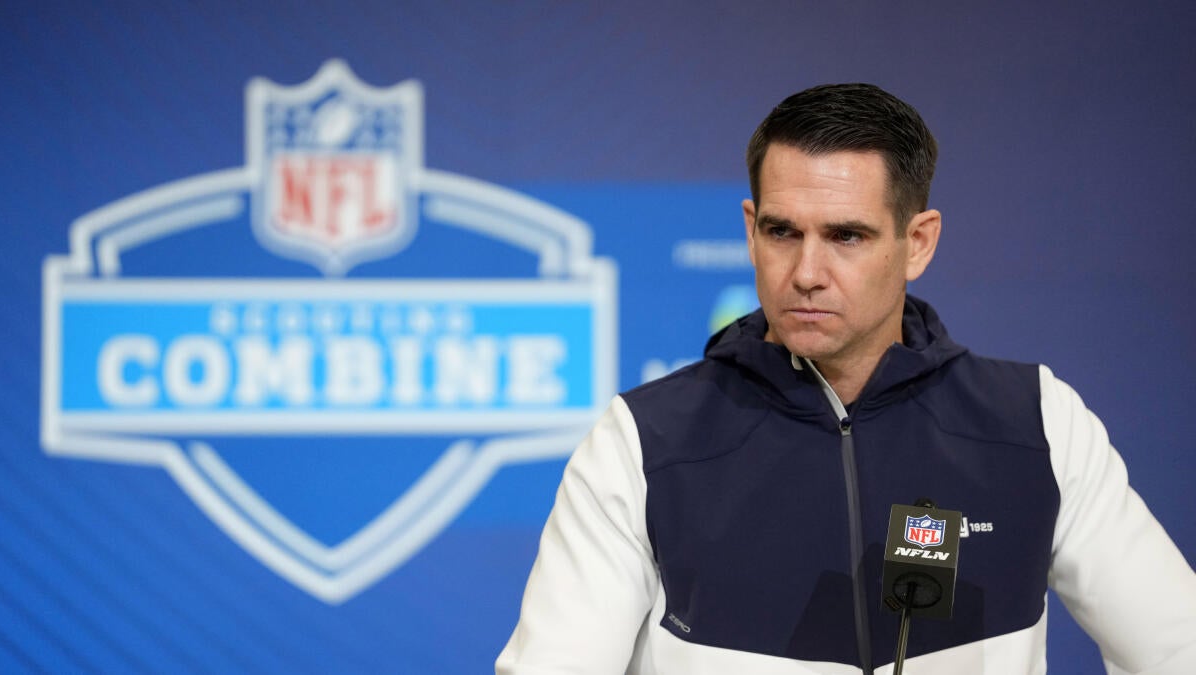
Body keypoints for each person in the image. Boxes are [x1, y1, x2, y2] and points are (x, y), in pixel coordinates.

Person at [495, 83, 1196, 674]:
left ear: (917, 242)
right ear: (750, 230)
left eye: (846, 236)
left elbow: (1178, 649)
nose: (806, 272)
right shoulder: (642, 442)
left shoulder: (1036, 422)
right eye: (782, 232)